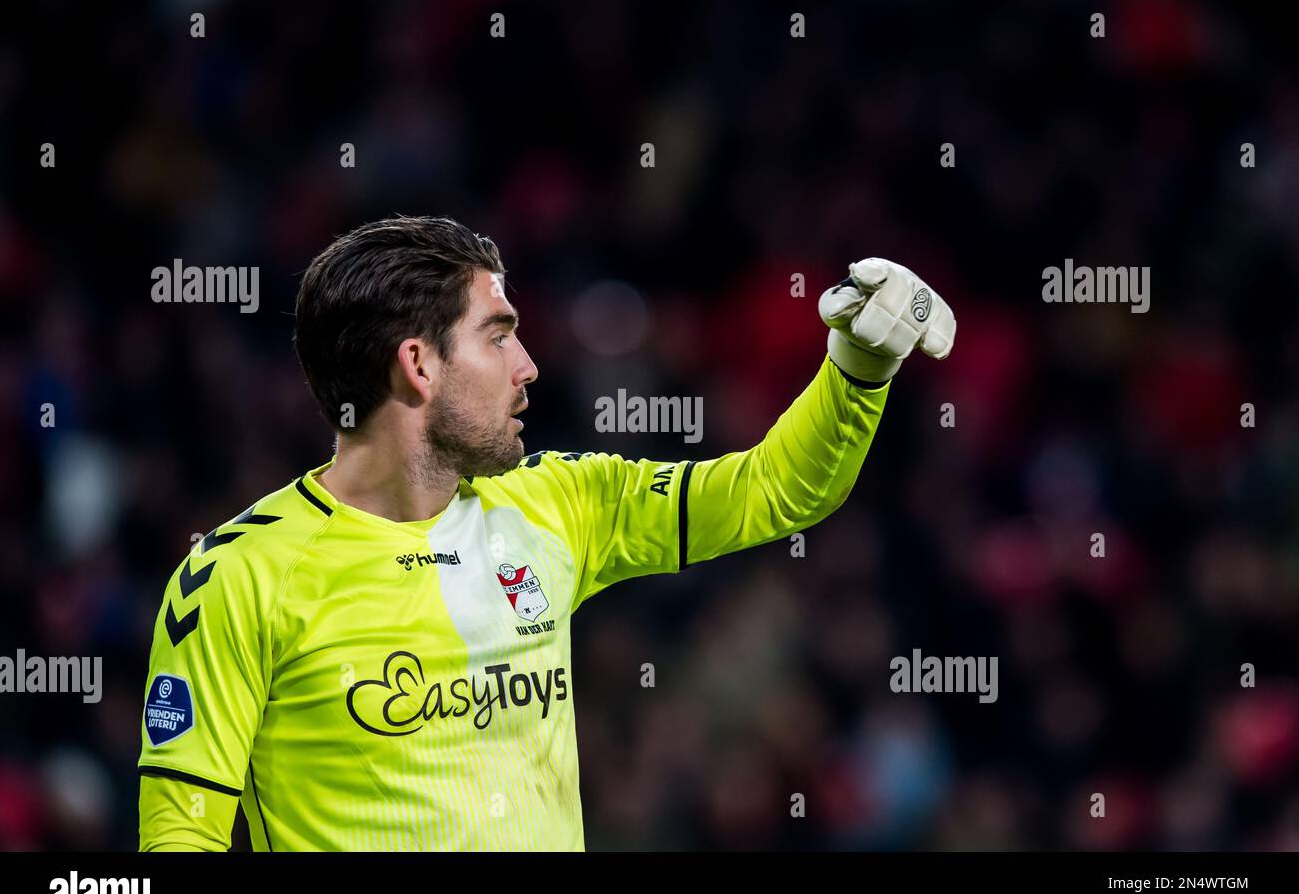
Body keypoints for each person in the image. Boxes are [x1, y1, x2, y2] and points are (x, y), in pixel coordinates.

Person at [136, 215, 955, 850]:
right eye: (498, 335)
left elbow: (773, 491)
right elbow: (180, 836)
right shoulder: (240, 576)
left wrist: (857, 368)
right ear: (419, 365)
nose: (528, 365)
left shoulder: (559, 502)